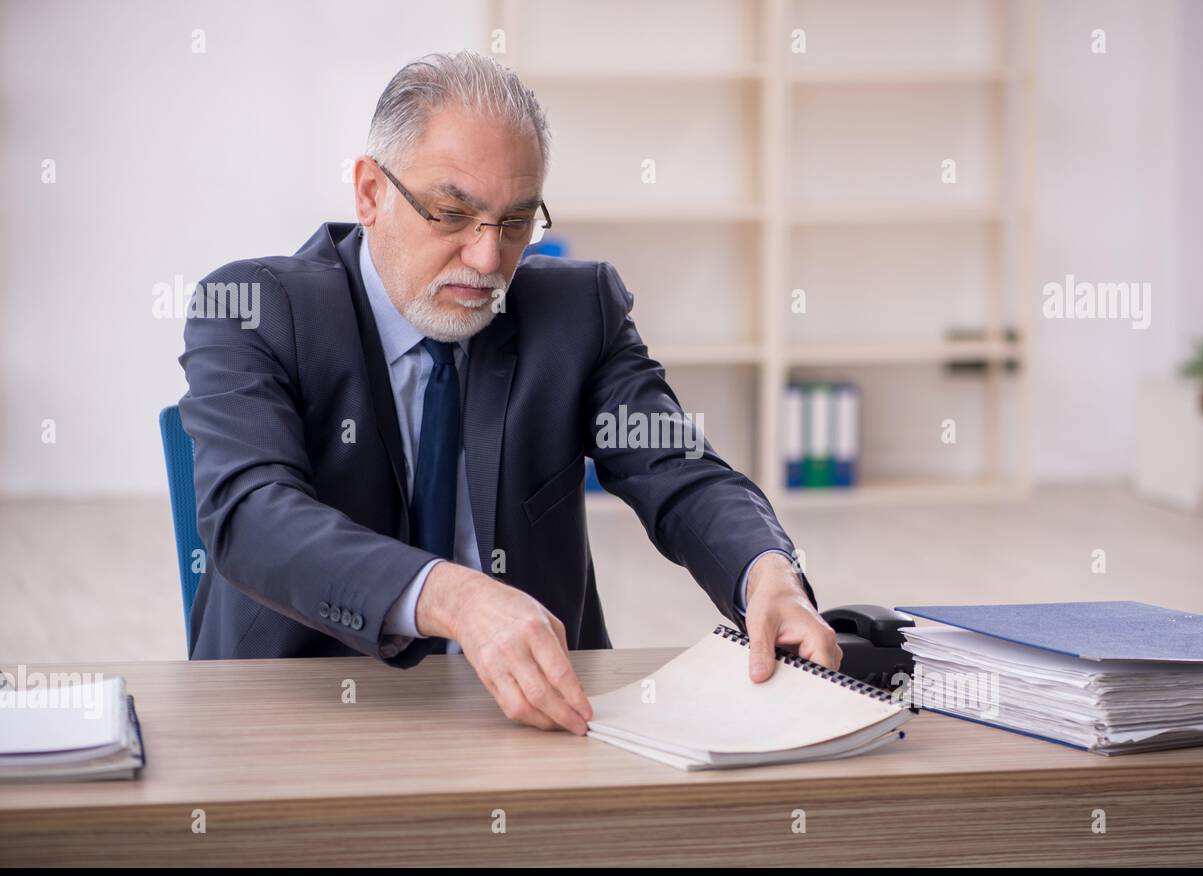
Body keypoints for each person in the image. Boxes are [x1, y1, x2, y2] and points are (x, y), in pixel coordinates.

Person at [179, 51, 839, 735]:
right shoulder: (253, 307)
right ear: (370, 192)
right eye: (451, 214)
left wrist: (766, 571)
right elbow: (251, 514)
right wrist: (452, 595)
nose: (488, 259)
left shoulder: (578, 312)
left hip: (533, 713)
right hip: (300, 711)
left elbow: (678, 469)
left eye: (517, 222)